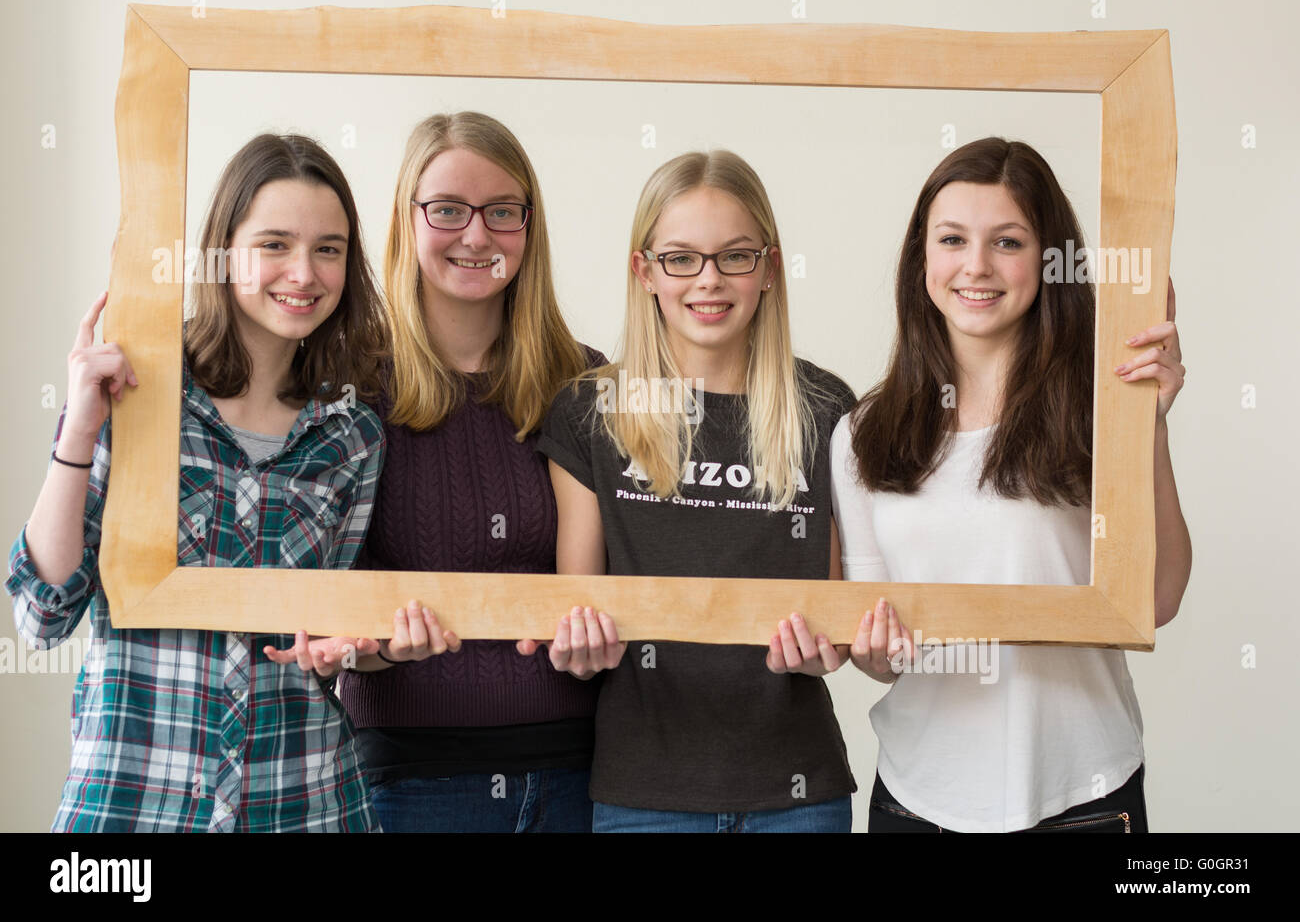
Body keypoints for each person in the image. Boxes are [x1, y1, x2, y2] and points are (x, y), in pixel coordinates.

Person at [6, 133, 391, 831]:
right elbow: (40, 619)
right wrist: (81, 428)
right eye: (274, 244)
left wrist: (356, 648)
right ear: (223, 252)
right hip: (132, 804)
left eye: (328, 249)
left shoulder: (352, 435)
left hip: (300, 802)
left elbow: (335, 637)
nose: (303, 273)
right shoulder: (134, 395)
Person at [830, 136, 1192, 832]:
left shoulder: (1100, 410)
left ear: (1048, 259)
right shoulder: (862, 435)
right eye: (952, 239)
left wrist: (1147, 426)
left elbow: (1159, 597)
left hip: (1082, 793)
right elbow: (876, 651)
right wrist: (870, 651)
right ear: (921, 260)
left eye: (1008, 242)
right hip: (919, 797)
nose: (976, 266)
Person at [527, 149, 858, 832]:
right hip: (643, 796)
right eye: (681, 258)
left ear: (768, 268)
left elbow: (836, 617)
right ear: (644, 270)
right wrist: (578, 649)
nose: (709, 280)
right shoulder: (590, 412)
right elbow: (578, 610)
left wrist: (830, 646)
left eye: (734, 256)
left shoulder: (825, 410)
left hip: (797, 795)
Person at [327, 112, 604, 833]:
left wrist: (608, 637)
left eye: (502, 212)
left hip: (576, 773)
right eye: (448, 209)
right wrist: (377, 644)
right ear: (406, 219)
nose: (477, 236)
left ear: (529, 226)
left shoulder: (586, 383)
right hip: (408, 778)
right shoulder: (347, 381)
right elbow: (324, 591)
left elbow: (617, 581)